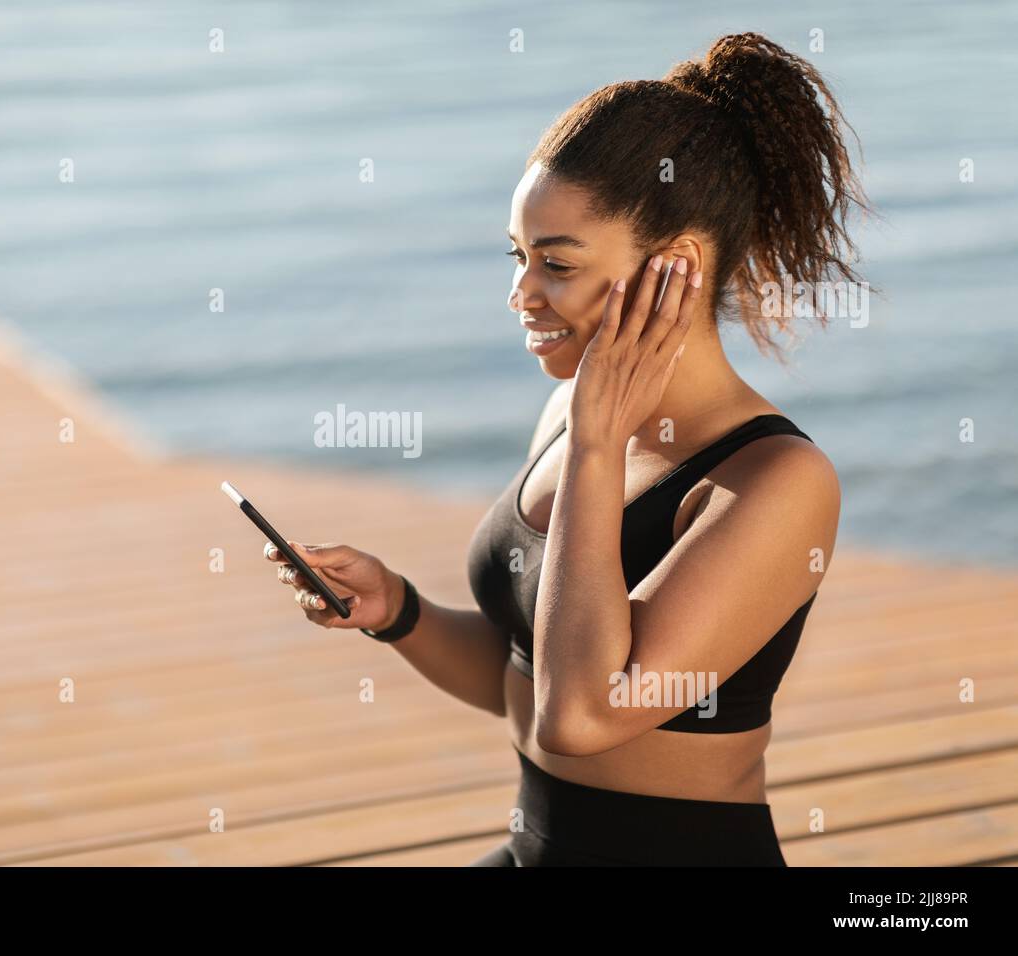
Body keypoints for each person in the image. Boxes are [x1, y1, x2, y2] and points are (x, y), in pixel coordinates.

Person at [264, 32, 868, 866]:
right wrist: (397, 610)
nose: (520, 292)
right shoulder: (566, 415)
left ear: (677, 266)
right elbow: (531, 672)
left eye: (556, 262)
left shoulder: (773, 480)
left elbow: (583, 717)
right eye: (519, 256)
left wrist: (595, 446)